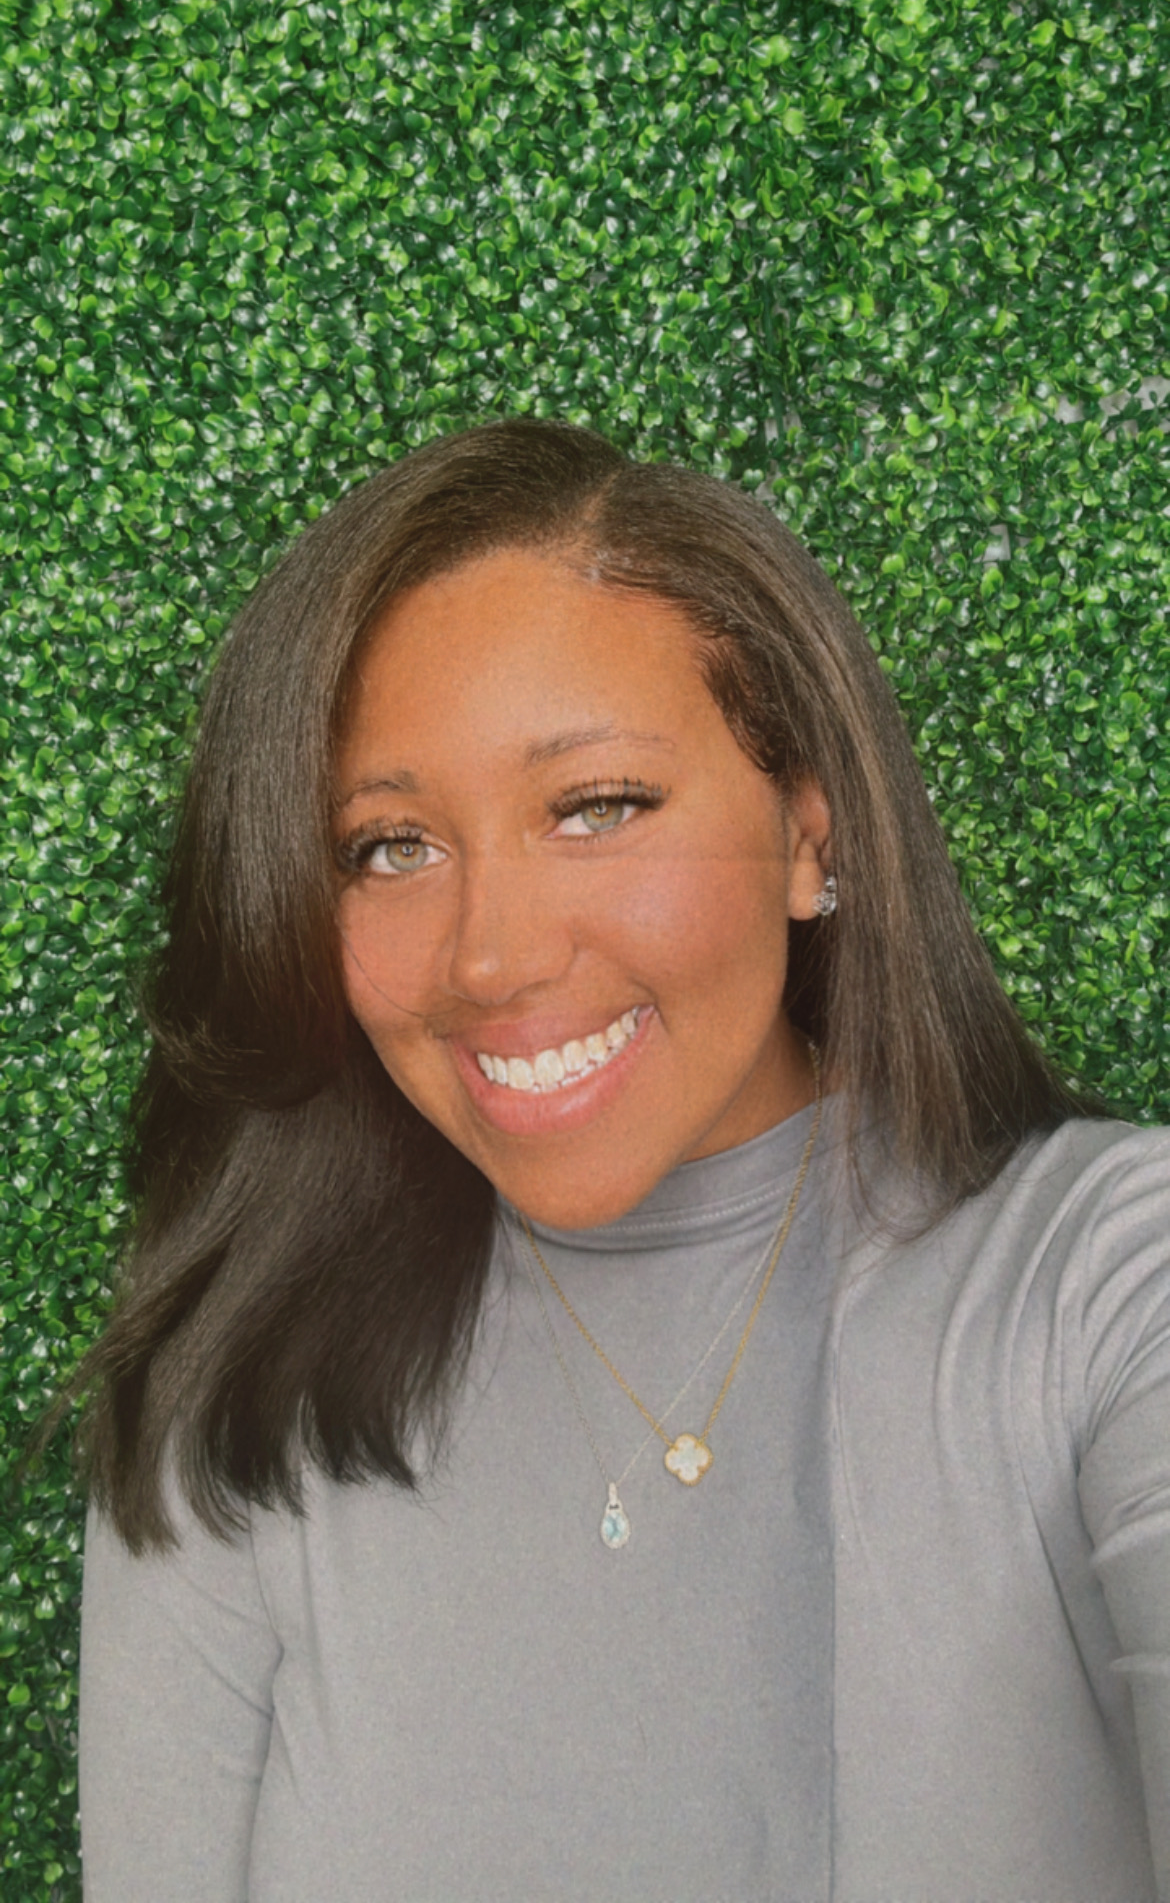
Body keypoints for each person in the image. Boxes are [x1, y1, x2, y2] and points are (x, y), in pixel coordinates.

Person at [74, 418, 1169, 1902]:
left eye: (596, 809)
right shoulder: (239, 1388)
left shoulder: (1110, 1285)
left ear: (808, 834)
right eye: (390, 847)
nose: (491, 958)